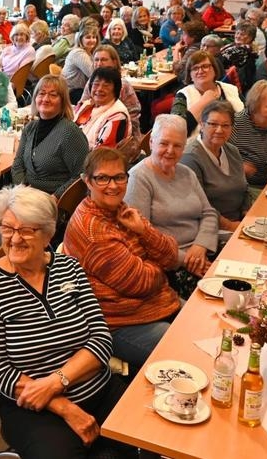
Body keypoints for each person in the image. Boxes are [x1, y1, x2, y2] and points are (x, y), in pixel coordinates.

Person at [0, 184, 130, 459]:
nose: (15, 239)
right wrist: (64, 407)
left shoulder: (69, 268)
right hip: (37, 410)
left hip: (99, 389)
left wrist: (56, 382)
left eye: (27, 230)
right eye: (7, 228)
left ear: (47, 235)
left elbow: (101, 339)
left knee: (148, 441)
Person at [61, 147, 182, 368]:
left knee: (206, 323)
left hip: (155, 305)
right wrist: (157, 265)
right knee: (184, 349)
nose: (113, 185)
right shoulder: (93, 231)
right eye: (102, 178)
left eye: (119, 177)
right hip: (118, 324)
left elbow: (173, 257)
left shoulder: (121, 211)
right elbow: (140, 283)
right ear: (87, 181)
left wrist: (144, 232)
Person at [125, 116, 219, 298]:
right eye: (164, 143)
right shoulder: (138, 178)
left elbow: (209, 213)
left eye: (177, 146)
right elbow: (142, 236)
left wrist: (201, 245)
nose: (170, 151)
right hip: (170, 263)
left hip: (202, 252)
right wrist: (187, 259)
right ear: (151, 143)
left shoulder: (187, 173)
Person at [12, 75, 89, 195]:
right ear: (35, 98)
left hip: (54, 199)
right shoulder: (30, 128)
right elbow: (18, 164)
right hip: (25, 196)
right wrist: (22, 191)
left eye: (53, 95)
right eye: (41, 93)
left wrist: (55, 198)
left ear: (63, 101)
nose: (46, 99)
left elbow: (81, 175)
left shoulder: (70, 132)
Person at [180, 100, 249, 232]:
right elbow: (199, 206)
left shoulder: (232, 151)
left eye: (225, 125)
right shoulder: (190, 157)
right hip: (209, 228)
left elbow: (244, 189)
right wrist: (230, 226)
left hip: (239, 223)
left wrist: (247, 215)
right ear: (202, 125)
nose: (219, 130)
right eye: (213, 124)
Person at [171, 51, 243, 140]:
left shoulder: (231, 89)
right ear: (190, 75)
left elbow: (247, 118)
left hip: (234, 142)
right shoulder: (183, 95)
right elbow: (174, 130)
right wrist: (204, 101)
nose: (200, 71)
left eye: (205, 66)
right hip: (197, 146)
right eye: (195, 68)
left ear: (214, 70)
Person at [77, 45, 142, 138]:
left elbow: (133, 115)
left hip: (120, 133)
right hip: (91, 127)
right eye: (96, 60)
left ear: (114, 62)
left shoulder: (122, 84)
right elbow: (83, 104)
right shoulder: (91, 81)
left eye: (103, 60)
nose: (99, 63)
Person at [73, 67, 131, 150]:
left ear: (116, 89)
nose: (99, 89)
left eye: (106, 85)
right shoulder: (89, 105)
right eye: (96, 84)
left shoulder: (118, 116)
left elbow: (103, 153)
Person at [60, 17, 100, 97]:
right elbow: (94, 75)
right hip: (70, 93)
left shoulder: (89, 52)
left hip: (79, 90)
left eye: (94, 37)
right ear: (80, 38)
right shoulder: (78, 53)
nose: (92, 40)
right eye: (88, 37)